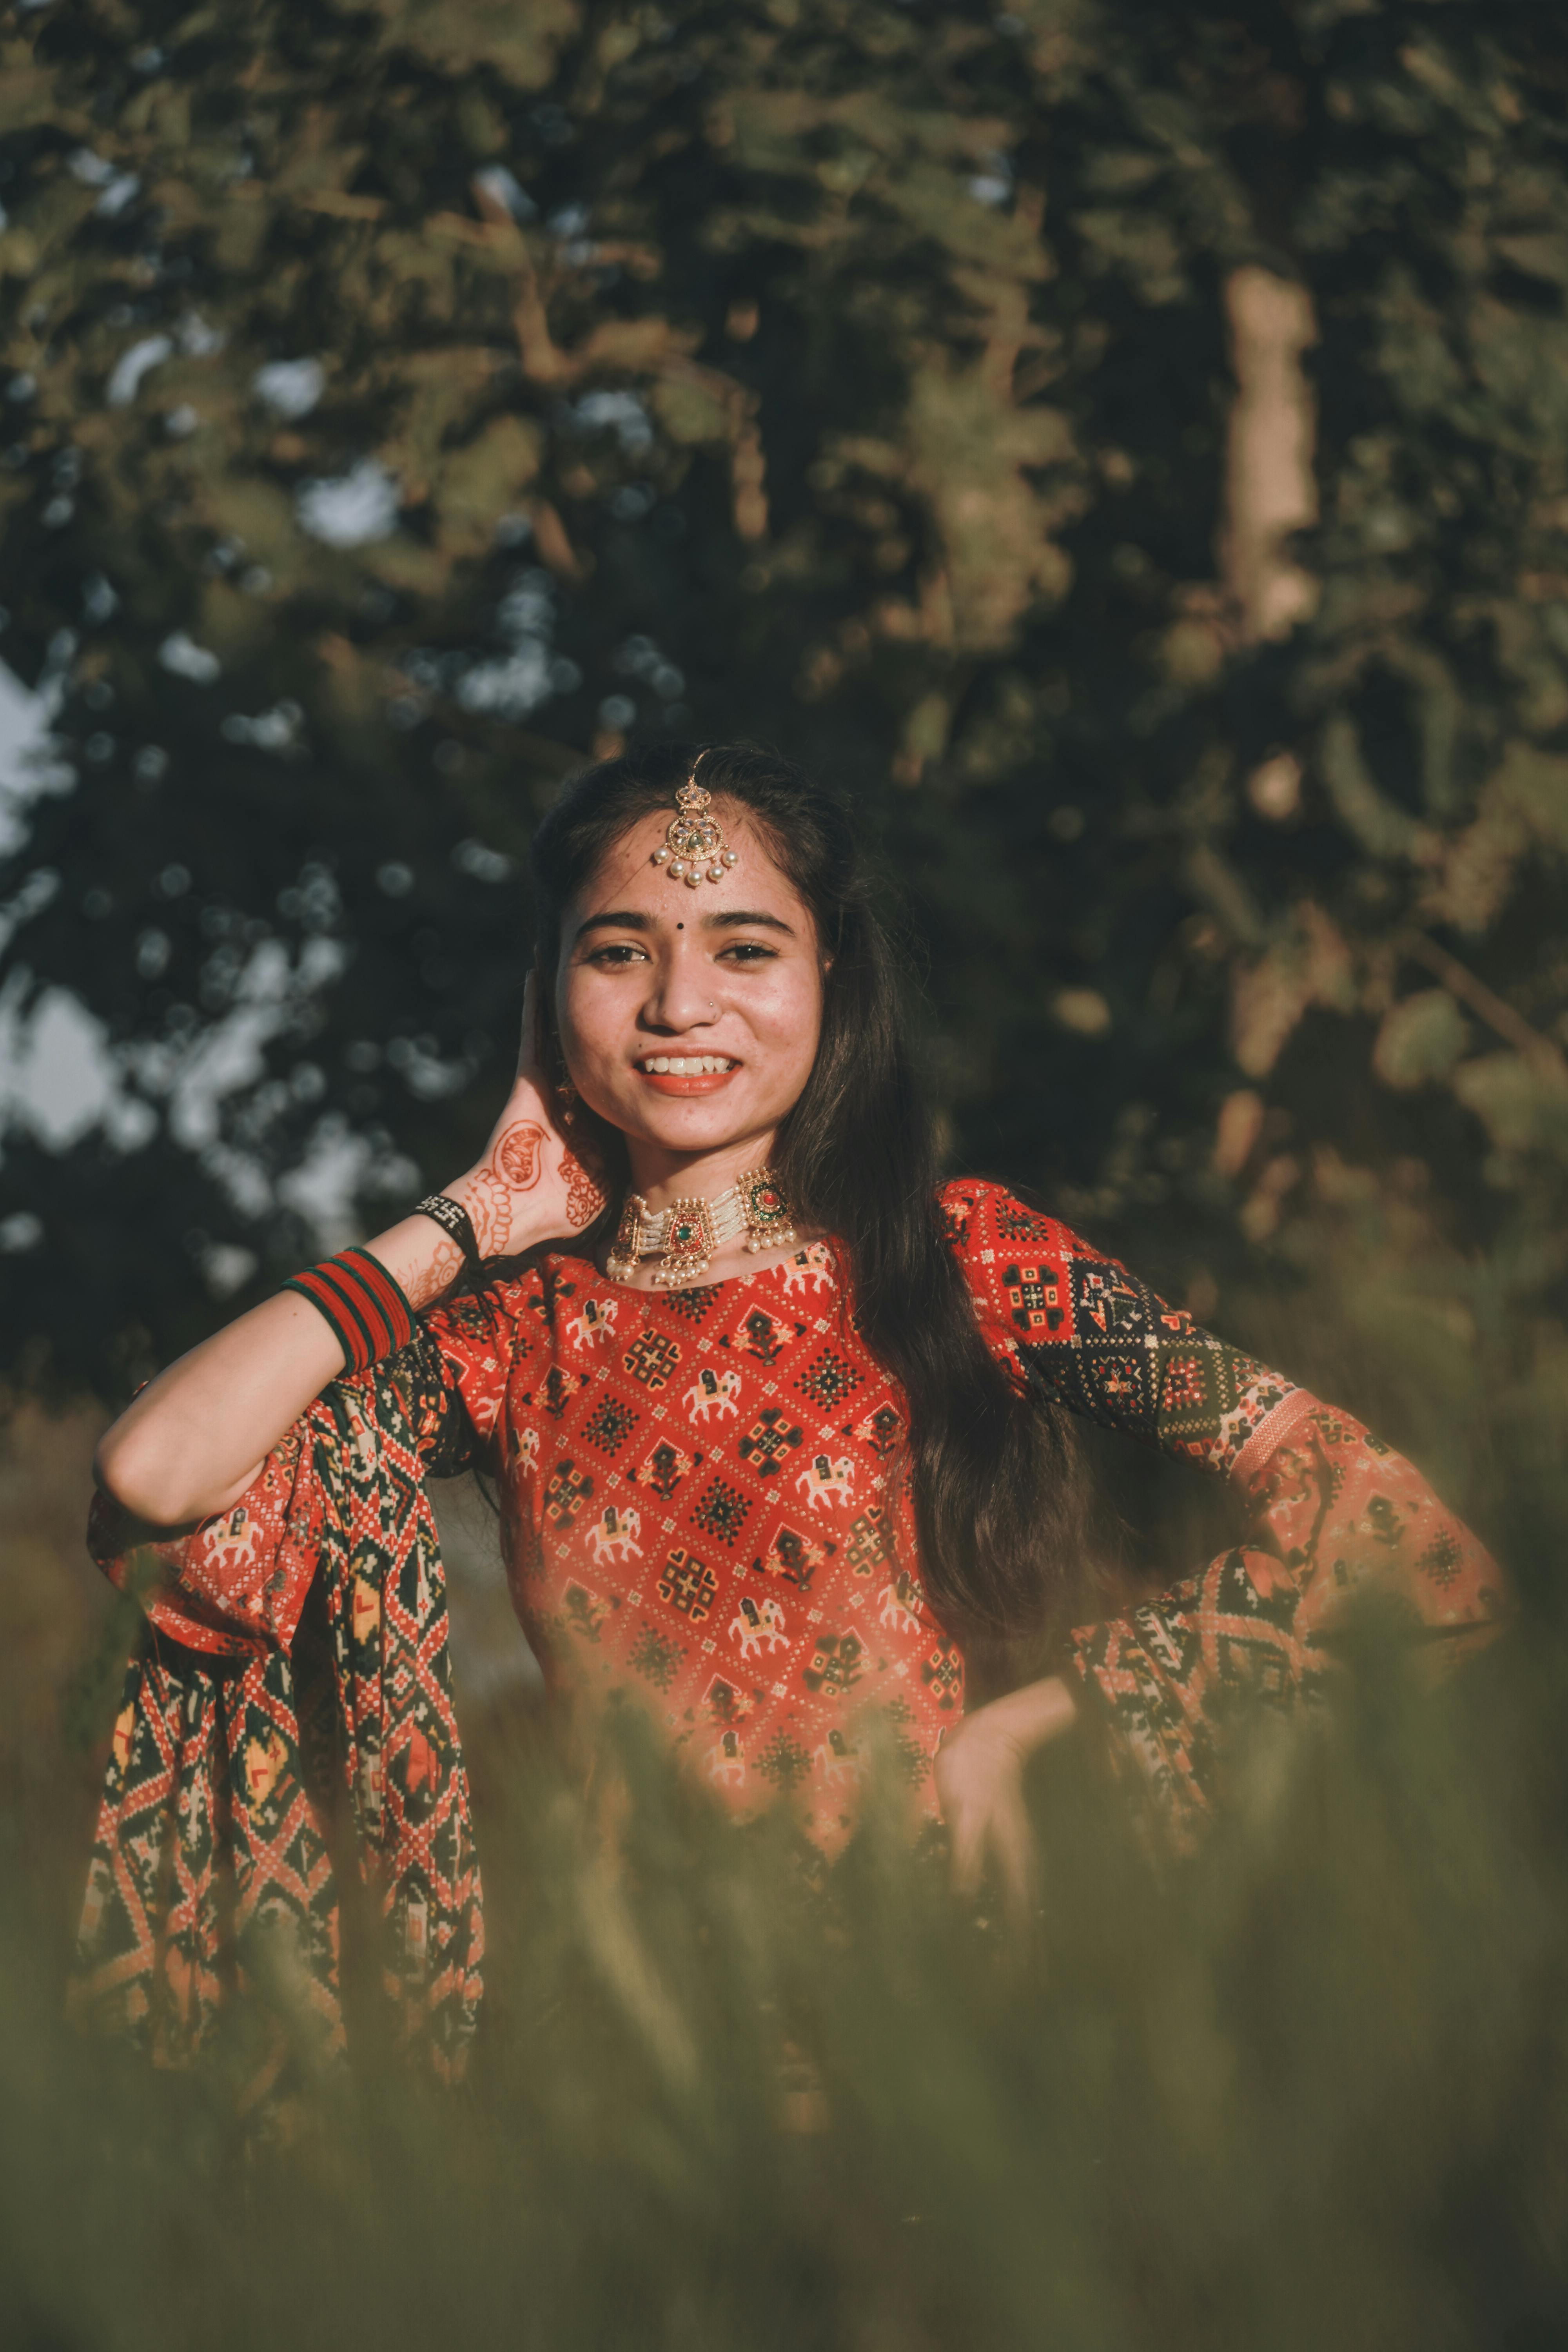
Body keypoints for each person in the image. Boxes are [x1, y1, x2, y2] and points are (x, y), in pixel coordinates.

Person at [76, 742, 1507, 2076]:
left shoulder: (975, 1265)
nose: (681, 1006)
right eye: (618, 953)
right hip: (639, 2072)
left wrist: (1026, 1730)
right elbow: (159, 1470)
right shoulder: (513, 1339)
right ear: (547, 996)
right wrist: (475, 1210)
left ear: (832, 976)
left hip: (956, 2033)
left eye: (745, 950)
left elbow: (1405, 1544)